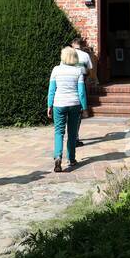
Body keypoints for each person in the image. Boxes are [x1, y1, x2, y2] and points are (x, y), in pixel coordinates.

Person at [48, 45, 88, 173]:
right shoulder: (78, 71)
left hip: (59, 104)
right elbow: (81, 92)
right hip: (74, 104)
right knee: (72, 132)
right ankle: (71, 159)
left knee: (59, 132)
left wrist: (49, 105)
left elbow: (51, 90)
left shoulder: (56, 70)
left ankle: (58, 157)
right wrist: (85, 108)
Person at [69, 36, 95, 146]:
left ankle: (71, 135)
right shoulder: (85, 55)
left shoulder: (68, 54)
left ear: (73, 44)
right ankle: (75, 137)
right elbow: (90, 68)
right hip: (81, 81)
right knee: (79, 109)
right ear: (81, 45)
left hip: (68, 82)